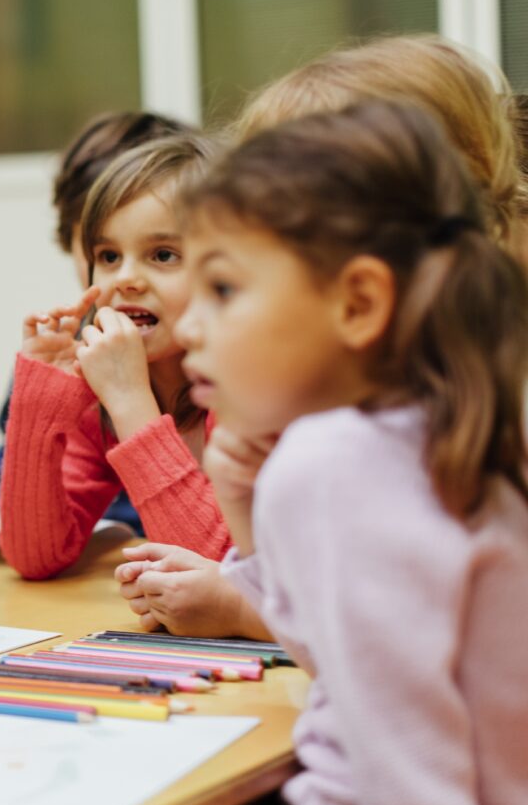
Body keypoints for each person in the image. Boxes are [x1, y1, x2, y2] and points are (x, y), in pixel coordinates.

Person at [179, 99, 528, 805]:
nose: (190, 327)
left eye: (225, 289)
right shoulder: (453, 418)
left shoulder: (333, 463)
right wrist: (245, 505)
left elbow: (413, 771)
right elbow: (346, 662)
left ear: (359, 303)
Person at [119, 33, 528, 639]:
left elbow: (410, 698)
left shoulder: (372, 446)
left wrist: (239, 601)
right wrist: (249, 539)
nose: (198, 323)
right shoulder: (401, 408)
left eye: (231, 284)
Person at [0, 133, 230, 579]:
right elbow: (35, 556)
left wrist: (130, 399)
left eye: (162, 255)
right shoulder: (101, 389)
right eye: (107, 255)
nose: (126, 279)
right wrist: (38, 403)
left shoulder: (251, 387)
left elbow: (220, 572)